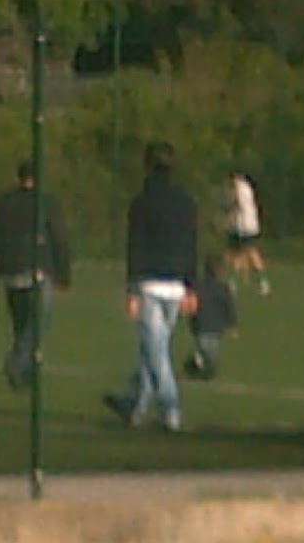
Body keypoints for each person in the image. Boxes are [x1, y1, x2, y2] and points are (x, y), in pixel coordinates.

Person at [104, 142, 200, 433]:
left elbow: (136, 248)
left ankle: (170, 409)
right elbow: (191, 246)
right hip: (176, 284)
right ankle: (135, 406)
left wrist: (131, 290)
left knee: (156, 353)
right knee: (153, 349)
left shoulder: (141, 202)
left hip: (149, 284)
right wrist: (191, 287)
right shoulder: (186, 201)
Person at [0, 160, 72, 390]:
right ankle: (17, 361)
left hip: (10, 271)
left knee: (22, 325)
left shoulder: (2, 202)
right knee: (39, 322)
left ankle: (28, 374)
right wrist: (63, 273)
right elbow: (59, 238)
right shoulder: (46, 203)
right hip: (37, 270)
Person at [183, 255, 239, 381]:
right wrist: (232, 323)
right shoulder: (219, 287)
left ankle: (196, 368)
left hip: (206, 324)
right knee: (208, 350)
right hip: (208, 324)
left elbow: (229, 306)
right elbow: (230, 306)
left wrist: (232, 324)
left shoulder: (205, 286)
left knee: (207, 350)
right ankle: (207, 372)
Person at [224, 171, 270, 296]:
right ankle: (258, 281)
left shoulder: (239, 188)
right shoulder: (246, 187)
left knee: (242, 253)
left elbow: (235, 204)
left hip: (243, 225)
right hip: (247, 224)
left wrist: (227, 213)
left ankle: (234, 282)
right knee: (245, 252)